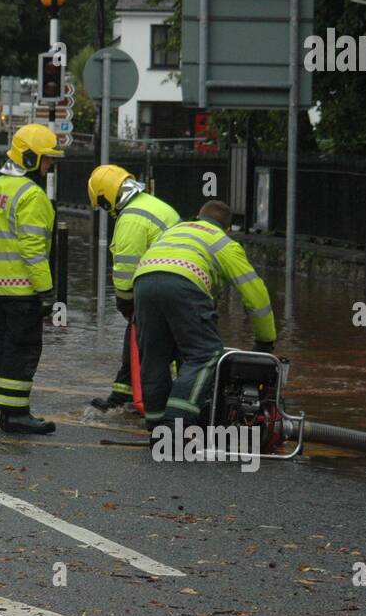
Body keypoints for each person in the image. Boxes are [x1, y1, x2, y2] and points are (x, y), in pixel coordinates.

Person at [132, 199, 276, 430]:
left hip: (143, 281)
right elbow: (256, 295)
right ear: (228, 229)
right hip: (183, 283)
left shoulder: (174, 230)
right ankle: (174, 426)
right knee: (205, 355)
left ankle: (155, 423)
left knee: (155, 356)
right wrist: (265, 340)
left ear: (198, 216)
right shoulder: (223, 242)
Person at [0, 123, 62, 435]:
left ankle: (8, 413)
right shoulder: (32, 195)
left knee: (5, 348)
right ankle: (18, 414)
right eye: (47, 158)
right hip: (24, 291)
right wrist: (47, 291)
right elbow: (33, 249)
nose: (50, 165)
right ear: (29, 157)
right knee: (23, 350)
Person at [85, 164, 180, 413]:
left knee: (149, 349)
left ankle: (152, 403)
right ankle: (123, 395)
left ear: (107, 199)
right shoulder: (152, 203)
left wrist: (124, 302)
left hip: (160, 288)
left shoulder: (131, 218)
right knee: (144, 343)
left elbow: (126, 271)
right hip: (180, 284)